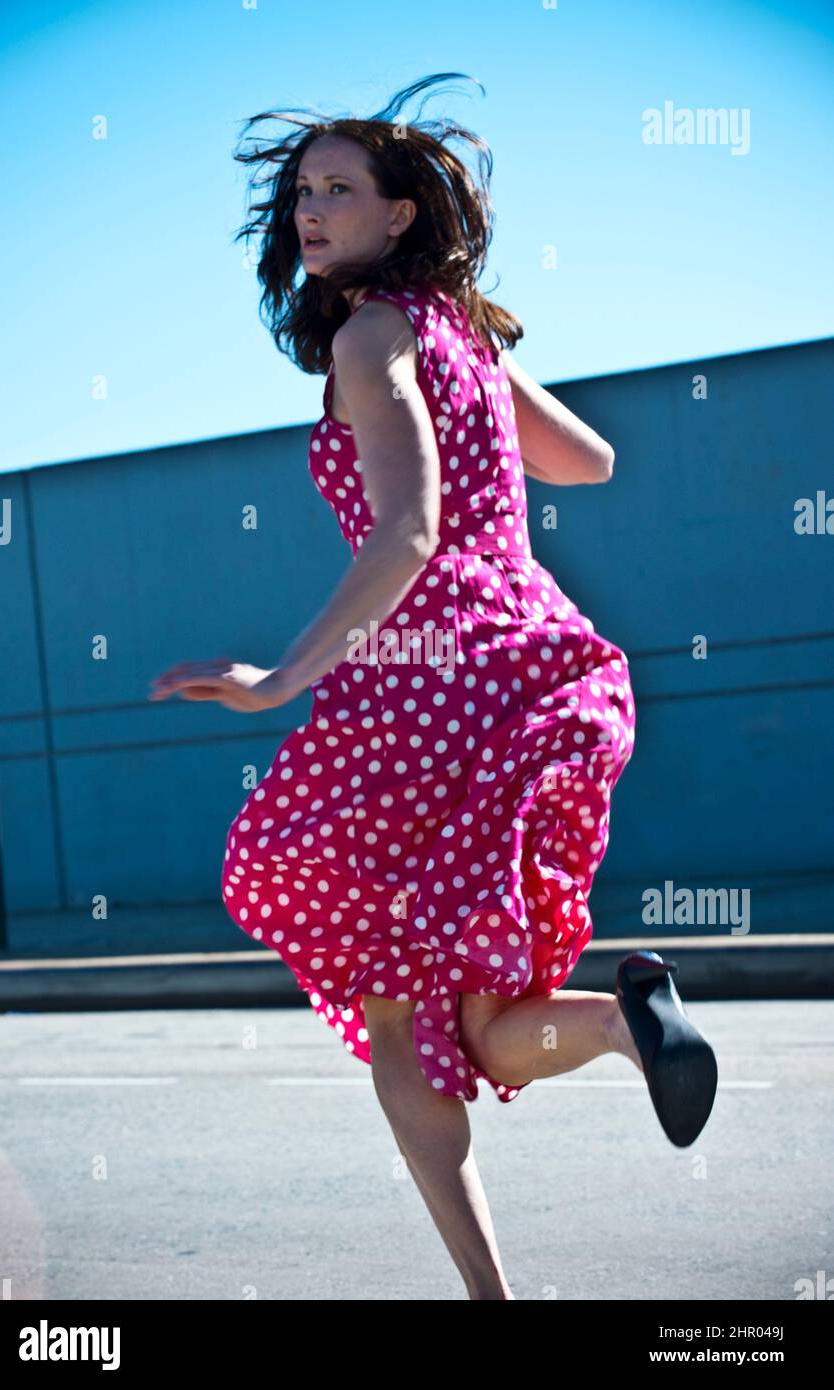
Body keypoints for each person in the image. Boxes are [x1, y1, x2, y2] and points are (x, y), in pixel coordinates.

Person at [148, 73, 717, 1300]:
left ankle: (488, 1298)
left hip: (422, 690)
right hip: (542, 663)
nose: (310, 209)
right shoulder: (453, 331)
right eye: (302, 191)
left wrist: (277, 678)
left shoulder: (369, 337)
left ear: (400, 214)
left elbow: (403, 533)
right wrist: (488, 380)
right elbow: (594, 460)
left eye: (339, 189)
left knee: (395, 1019)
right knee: (476, 1021)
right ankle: (626, 1021)